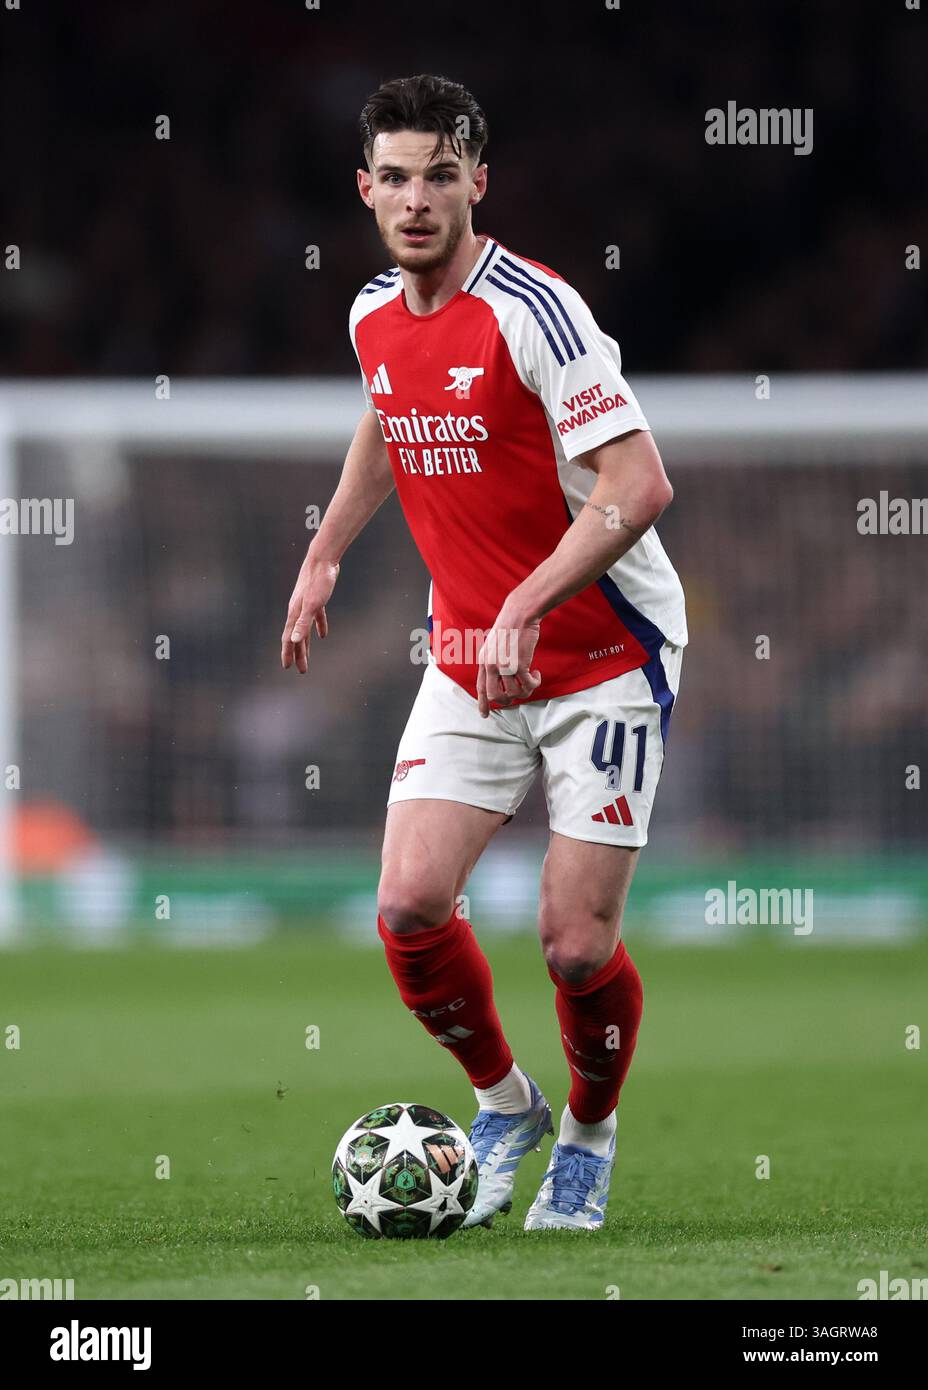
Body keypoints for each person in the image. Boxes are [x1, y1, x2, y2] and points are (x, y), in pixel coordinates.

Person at [282, 73, 687, 1231]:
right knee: (410, 903)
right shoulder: (370, 312)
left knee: (571, 943)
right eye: (395, 178)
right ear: (365, 189)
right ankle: (502, 1103)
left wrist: (529, 596)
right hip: (470, 651)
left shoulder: (535, 311)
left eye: (439, 176)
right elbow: (386, 413)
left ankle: (588, 1133)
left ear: (477, 183)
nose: (417, 199)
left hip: (605, 653)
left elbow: (639, 484)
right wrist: (326, 552)